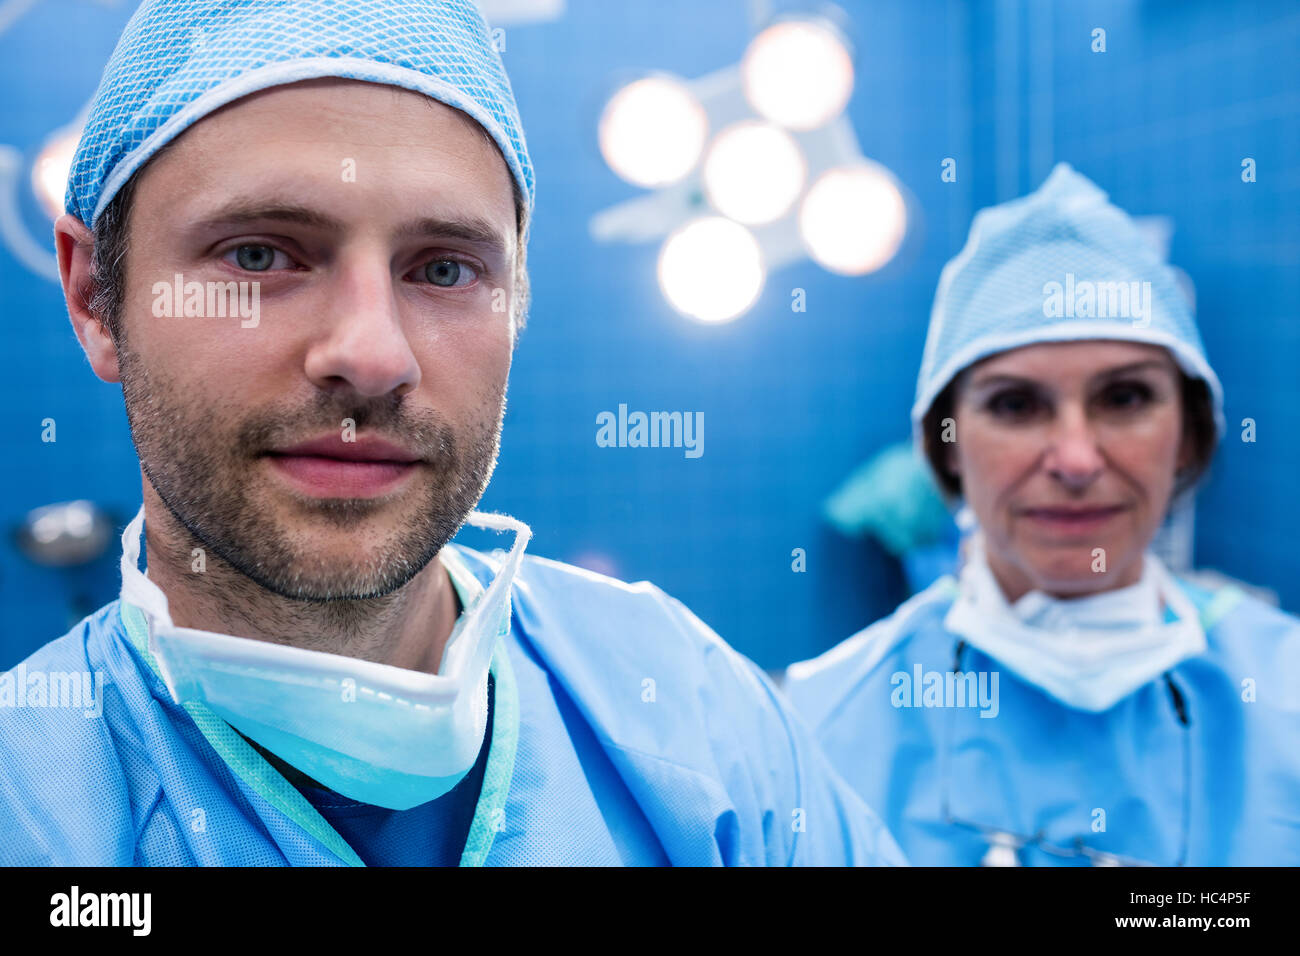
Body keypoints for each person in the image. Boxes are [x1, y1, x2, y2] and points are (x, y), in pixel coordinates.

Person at [0, 0, 903, 867]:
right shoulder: (31, 801)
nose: (372, 353)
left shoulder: (696, 724)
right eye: (260, 254)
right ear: (94, 299)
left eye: (443, 268)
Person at [785, 163, 1300, 866]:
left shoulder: (1282, 698)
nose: (1076, 459)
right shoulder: (822, 727)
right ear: (949, 444)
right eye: (1015, 405)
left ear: (1187, 432)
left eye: (1123, 399)